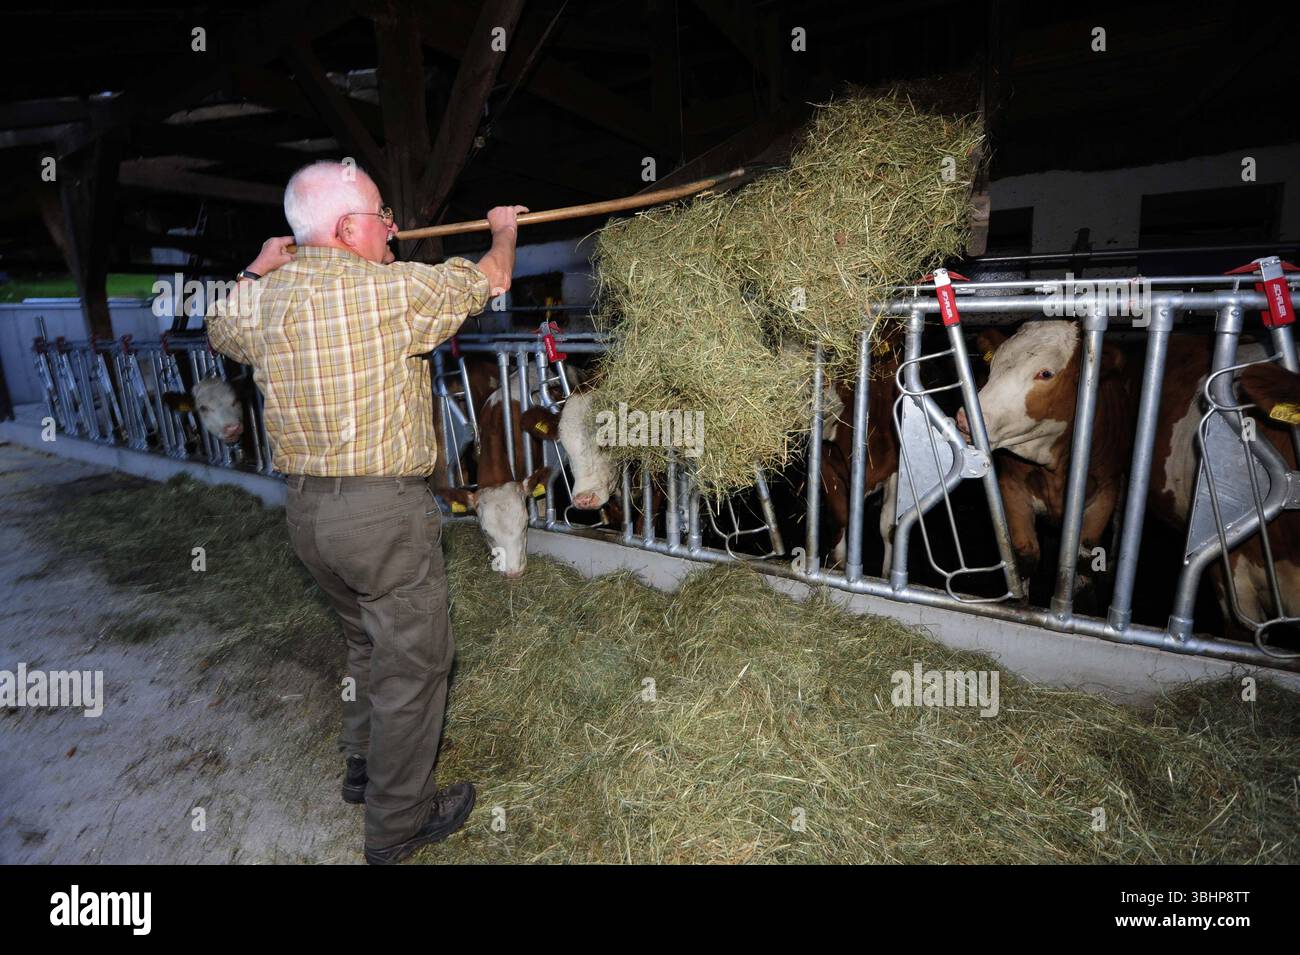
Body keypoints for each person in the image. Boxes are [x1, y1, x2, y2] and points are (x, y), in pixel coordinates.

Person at [206, 159, 526, 864]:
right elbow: (491, 278)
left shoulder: (261, 301)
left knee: (364, 641)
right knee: (415, 664)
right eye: (383, 216)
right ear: (349, 228)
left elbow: (218, 324)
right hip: (382, 517)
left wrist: (258, 266)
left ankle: (361, 764)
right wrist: (503, 230)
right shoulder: (392, 290)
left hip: (308, 517)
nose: (395, 227)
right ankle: (397, 824)